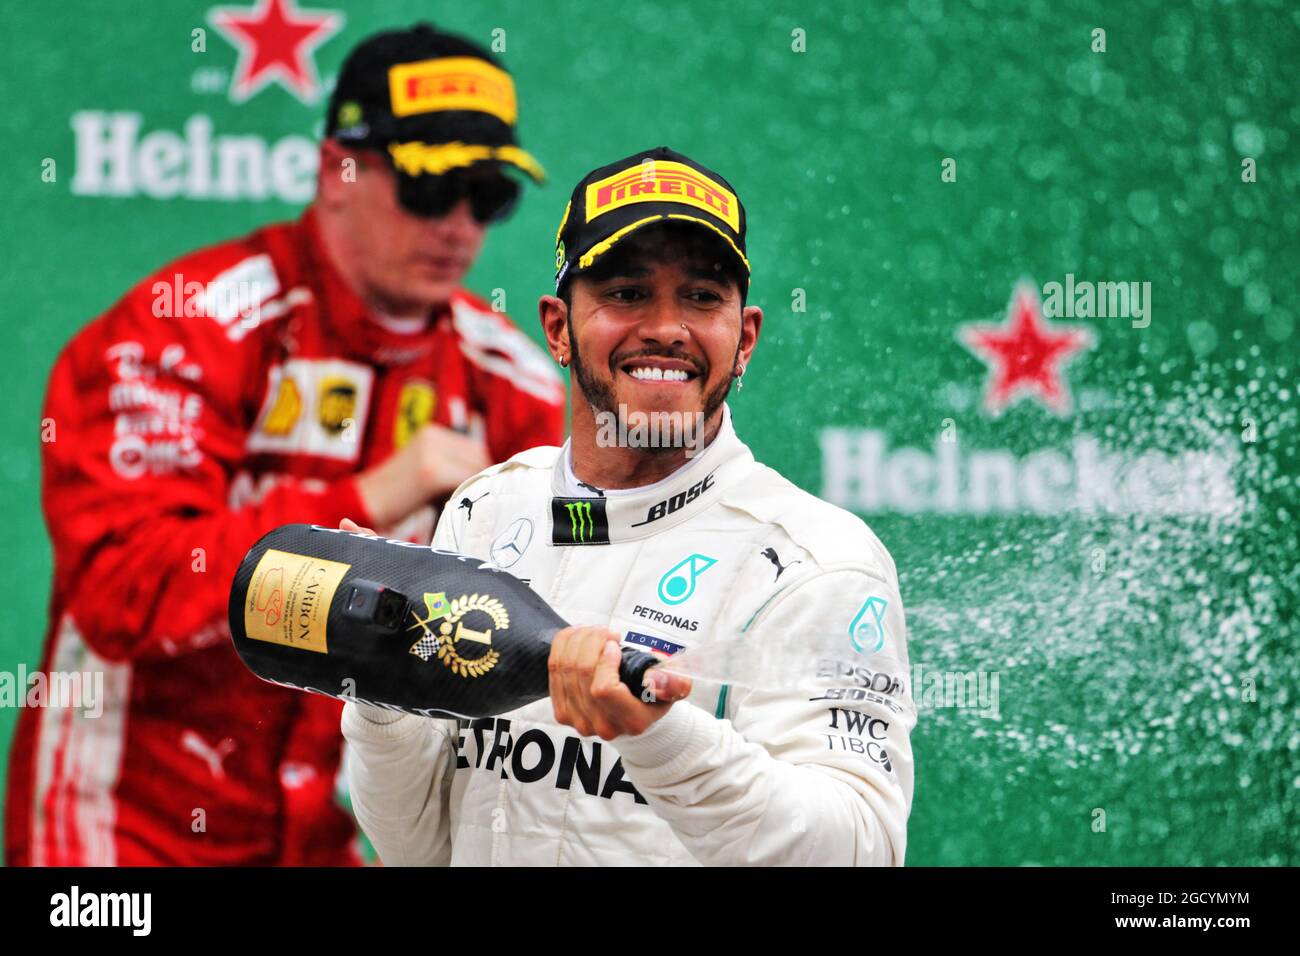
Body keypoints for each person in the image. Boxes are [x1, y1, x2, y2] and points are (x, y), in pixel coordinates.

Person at [5, 24, 565, 867]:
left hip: (317, 831)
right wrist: (374, 496)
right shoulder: (187, 327)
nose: (458, 226)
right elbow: (121, 591)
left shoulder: (513, 384)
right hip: (124, 828)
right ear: (334, 172)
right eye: (431, 185)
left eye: (487, 196)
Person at [341, 147, 916, 866]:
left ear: (745, 338)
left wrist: (658, 735)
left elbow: (861, 849)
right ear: (557, 328)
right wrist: (380, 692)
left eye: (702, 297)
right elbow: (419, 847)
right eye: (627, 292)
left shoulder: (817, 563)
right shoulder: (487, 509)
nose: (668, 327)